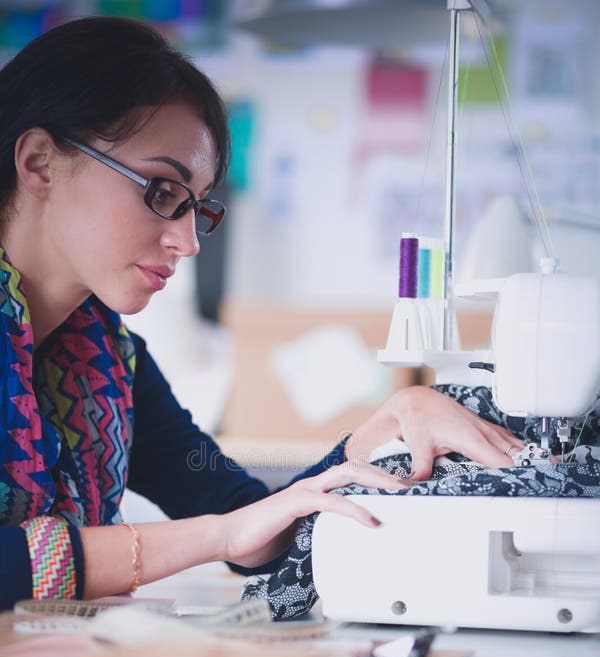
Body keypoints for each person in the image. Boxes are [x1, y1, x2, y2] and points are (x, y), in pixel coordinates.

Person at [0, 16, 522, 607]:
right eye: (162, 193)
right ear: (41, 163)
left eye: (196, 208)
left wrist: (380, 433)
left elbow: (244, 517)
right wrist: (219, 534)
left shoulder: (107, 364)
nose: (189, 241)